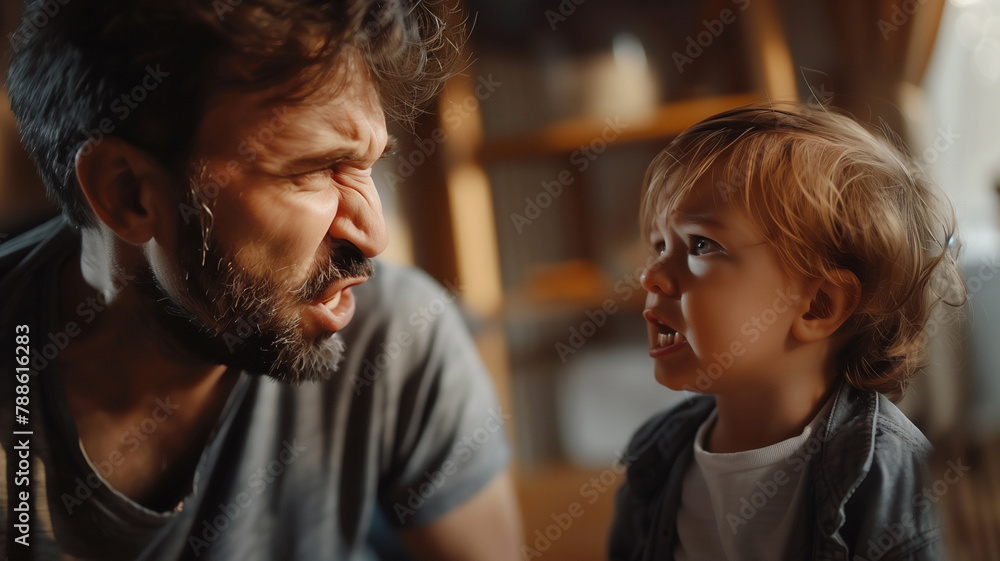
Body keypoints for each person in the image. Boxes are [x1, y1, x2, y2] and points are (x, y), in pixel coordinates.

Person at [0, 1, 522, 559]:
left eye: (368, 166)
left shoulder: (395, 338)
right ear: (128, 192)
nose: (374, 235)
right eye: (316, 170)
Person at [608, 102, 965, 560]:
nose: (651, 275)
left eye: (700, 244)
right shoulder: (653, 457)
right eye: (659, 245)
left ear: (818, 306)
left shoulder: (890, 477)